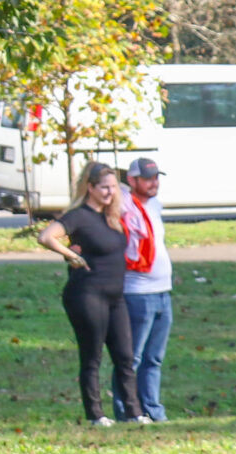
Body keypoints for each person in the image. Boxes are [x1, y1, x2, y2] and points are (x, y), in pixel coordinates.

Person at [36, 162, 137, 426]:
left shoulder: (111, 217)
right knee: (92, 356)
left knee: (125, 356)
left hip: (116, 297)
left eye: (114, 187)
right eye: (104, 187)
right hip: (87, 295)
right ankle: (96, 415)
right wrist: (72, 256)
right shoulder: (79, 216)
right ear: (90, 188)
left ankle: (134, 412)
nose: (110, 193)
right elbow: (46, 236)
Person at [117, 156, 173, 423]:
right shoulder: (123, 207)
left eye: (156, 177)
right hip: (137, 291)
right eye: (148, 178)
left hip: (163, 291)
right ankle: (127, 410)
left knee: (154, 358)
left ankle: (152, 409)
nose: (153, 183)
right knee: (132, 358)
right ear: (132, 180)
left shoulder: (156, 206)